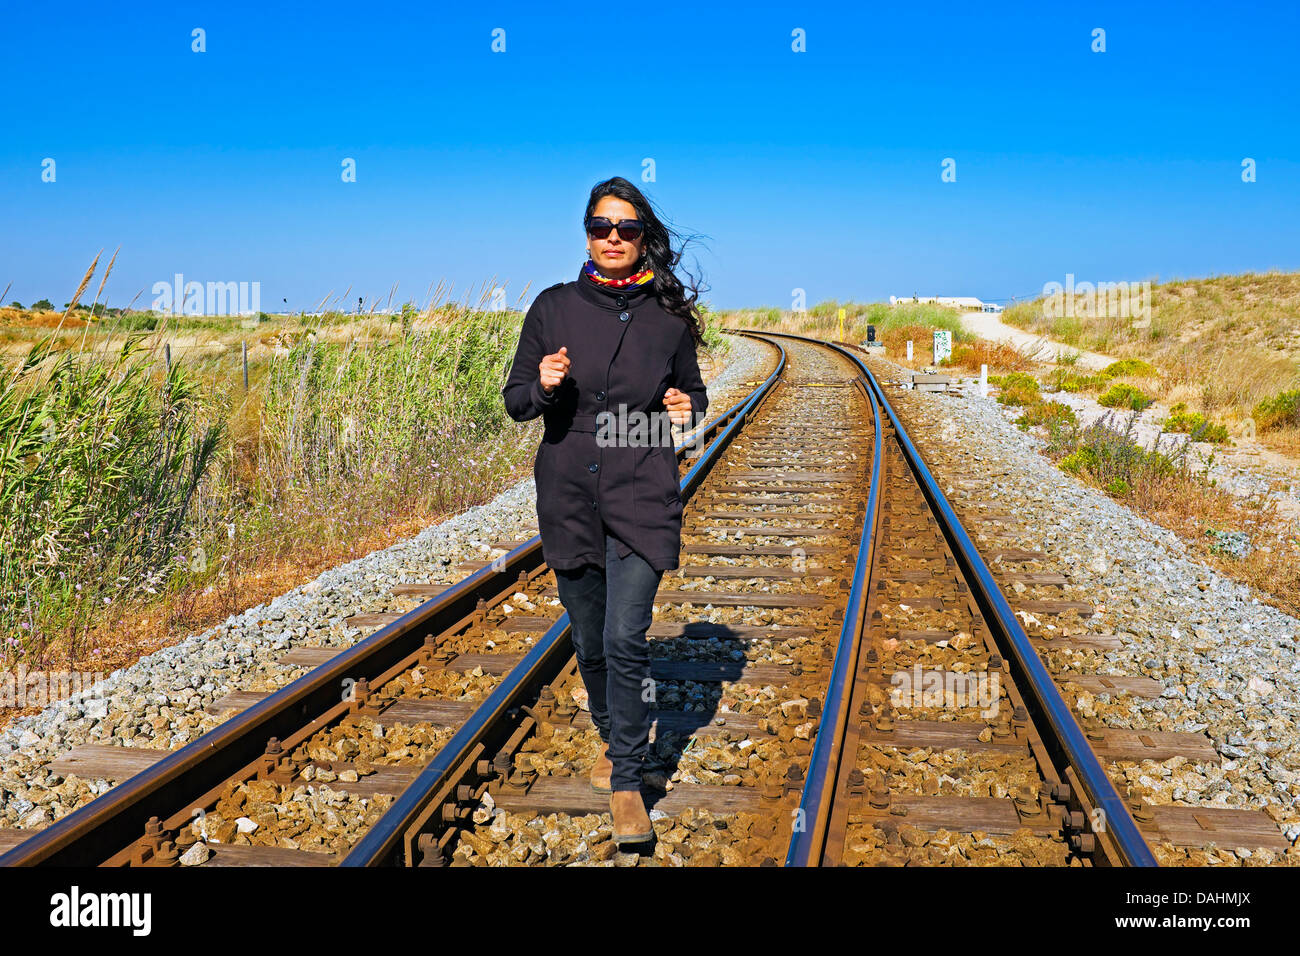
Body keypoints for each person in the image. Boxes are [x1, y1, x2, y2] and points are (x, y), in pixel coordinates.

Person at [501, 176, 709, 846]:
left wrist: (686, 412)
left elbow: (694, 399)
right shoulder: (552, 308)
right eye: (600, 226)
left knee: (625, 637)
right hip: (568, 489)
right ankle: (614, 731)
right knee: (590, 641)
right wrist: (544, 384)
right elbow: (514, 402)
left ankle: (627, 781)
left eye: (625, 228)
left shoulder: (667, 320)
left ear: (643, 236)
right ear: (586, 233)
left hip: (642, 486)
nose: (613, 238)